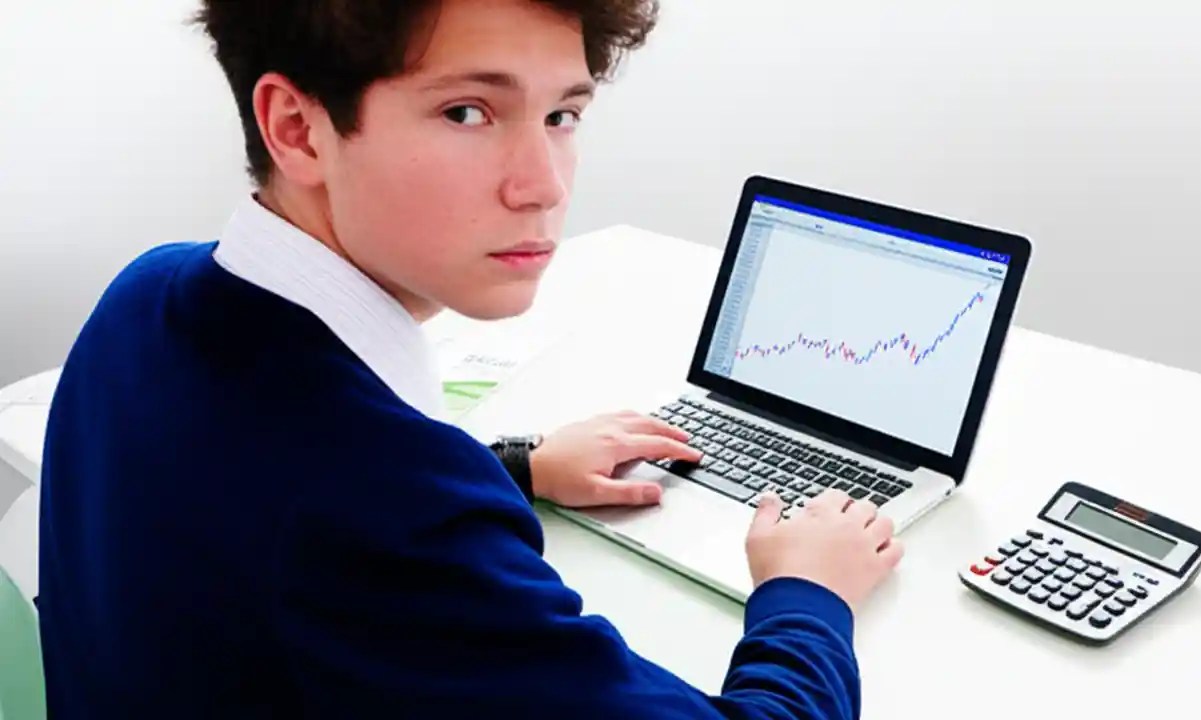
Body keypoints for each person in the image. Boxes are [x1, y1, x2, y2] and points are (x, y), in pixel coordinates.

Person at [37, 0, 904, 717]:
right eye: (468, 112)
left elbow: (260, 491)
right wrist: (806, 592)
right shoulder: (383, 511)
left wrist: (514, 468)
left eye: (562, 115)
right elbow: (343, 510)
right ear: (298, 128)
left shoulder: (148, 292)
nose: (545, 184)